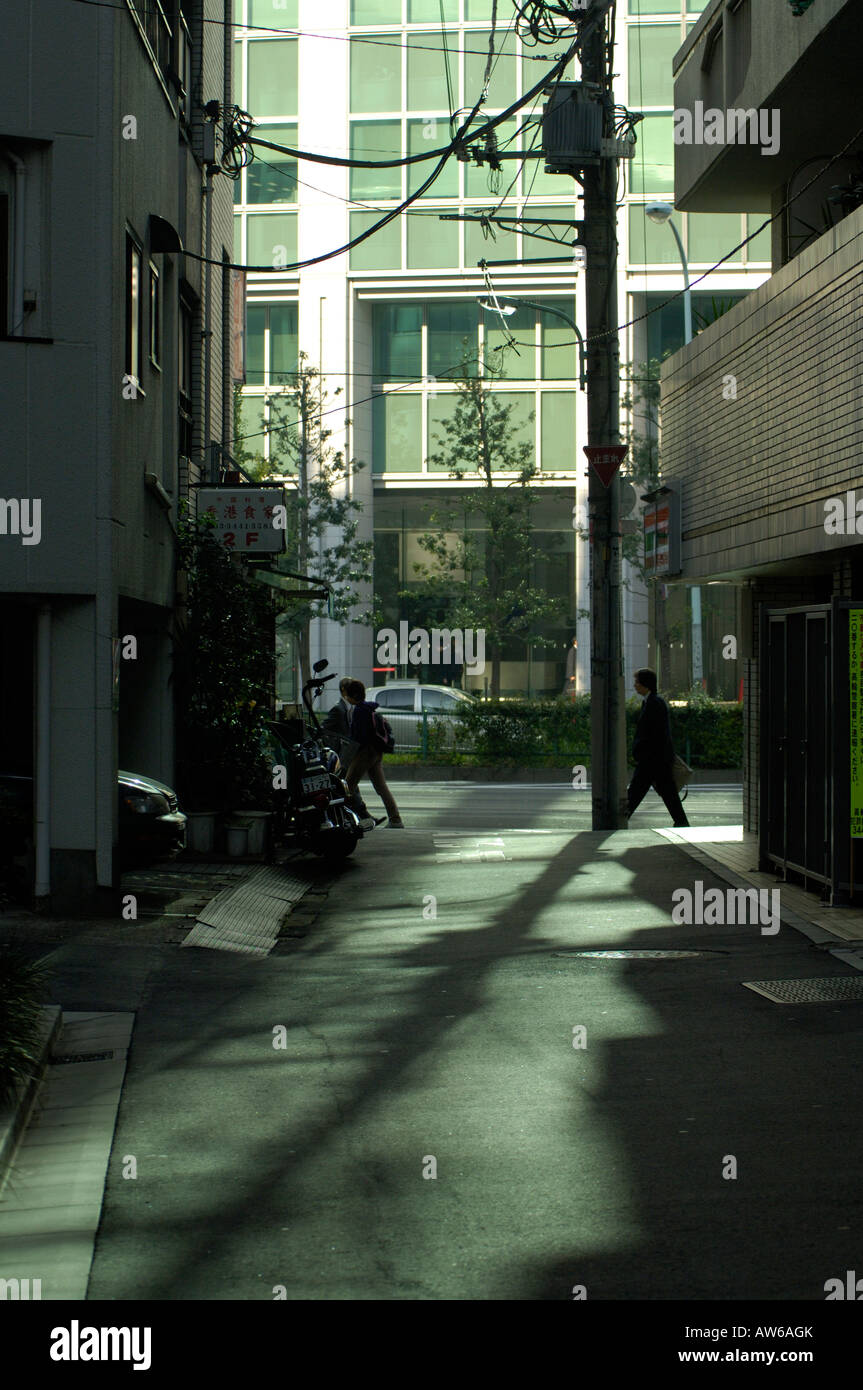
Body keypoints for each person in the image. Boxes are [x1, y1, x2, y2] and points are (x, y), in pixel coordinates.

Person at [626, 668, 689, 828]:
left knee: (637, 791)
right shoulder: (651, 702)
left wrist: (641, 751)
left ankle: (620, 818)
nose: (635, 686)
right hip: (657, 759)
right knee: (667, 793)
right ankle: (681, 821)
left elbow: (653, 733)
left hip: (652, 759)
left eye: (637, 682)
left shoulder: (653, 703)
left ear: (645, 685)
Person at [341, 678, 404, 828]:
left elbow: (359, 737)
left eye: (348, 695)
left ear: (353, 696)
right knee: (381, 787)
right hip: (376, 752)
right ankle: (395, 819)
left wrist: (349, 748)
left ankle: (352, 820)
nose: (346, 698)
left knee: (347, 786)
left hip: (364, 753)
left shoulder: (359, 711)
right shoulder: (369, 708)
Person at [321, 679, 380, 826]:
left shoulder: (351, 708)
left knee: (350, 786)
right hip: (342, 754)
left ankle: (362, 816)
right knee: (348, 786)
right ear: (343, 691)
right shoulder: (339, 708)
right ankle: (359, 817)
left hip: (351, 753)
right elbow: (324, 729)